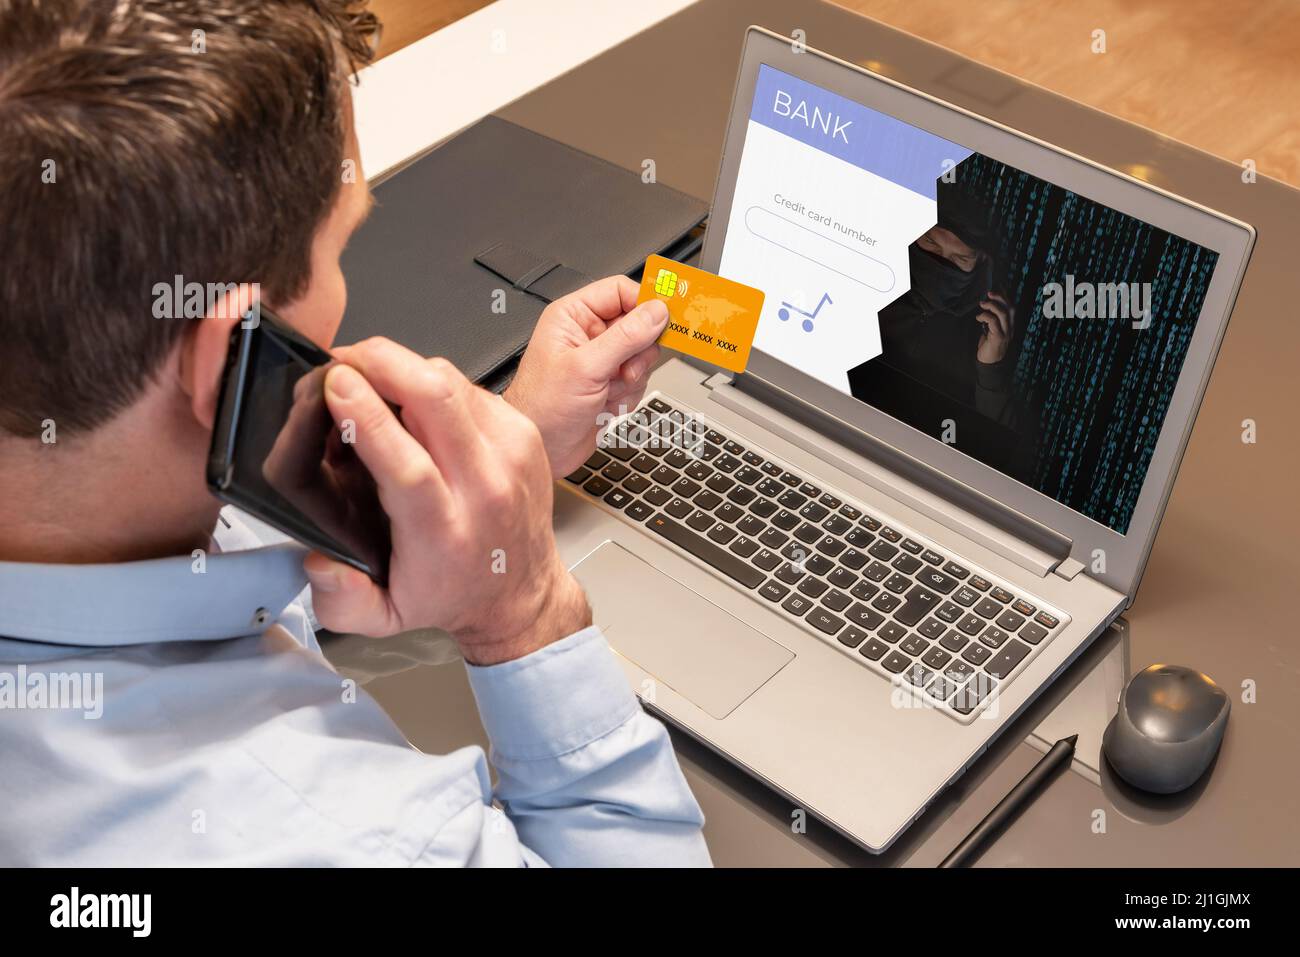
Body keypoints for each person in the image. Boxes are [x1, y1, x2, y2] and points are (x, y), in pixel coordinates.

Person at [0, 0, 710, 866]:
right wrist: (520, 604)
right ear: (229, 361)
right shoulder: (357, 838)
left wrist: (495, 458)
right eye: (342, 243)